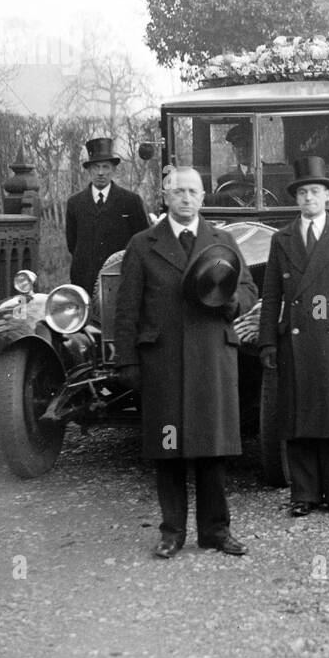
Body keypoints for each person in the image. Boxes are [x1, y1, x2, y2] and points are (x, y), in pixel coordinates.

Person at [114, 166, 257, 558]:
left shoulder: (222, 240)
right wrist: (127, 361)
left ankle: (215, 531)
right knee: (169, 447)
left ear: (204, 196)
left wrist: (227, 300)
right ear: (164, 196)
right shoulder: (143, 245)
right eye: (178, 191)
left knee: (213, 448)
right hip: (164, 363)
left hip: (212, 358)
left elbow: (248, 290)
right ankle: (171, 531)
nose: (186, 198)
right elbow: (126, 309)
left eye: (193, 191)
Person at [258, 157, 329, 517]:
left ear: (328, 197)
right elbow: (272, 295)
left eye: (316, 192)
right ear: (297, 199)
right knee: (299, 418)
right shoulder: (282, 239)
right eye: (303, 192)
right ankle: (303, 494)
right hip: (295, 342)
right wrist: (266, 341)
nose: (309, 198)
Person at [65, 137, 150, 295]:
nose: (101, 172)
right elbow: (72, 244)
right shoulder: (75, 203)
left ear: (114, 169)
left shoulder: (131, 201)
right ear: (89, 170)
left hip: (121, 278)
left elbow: (142, 241)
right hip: (84, 280)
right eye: (96, 167)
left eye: (106, 167)